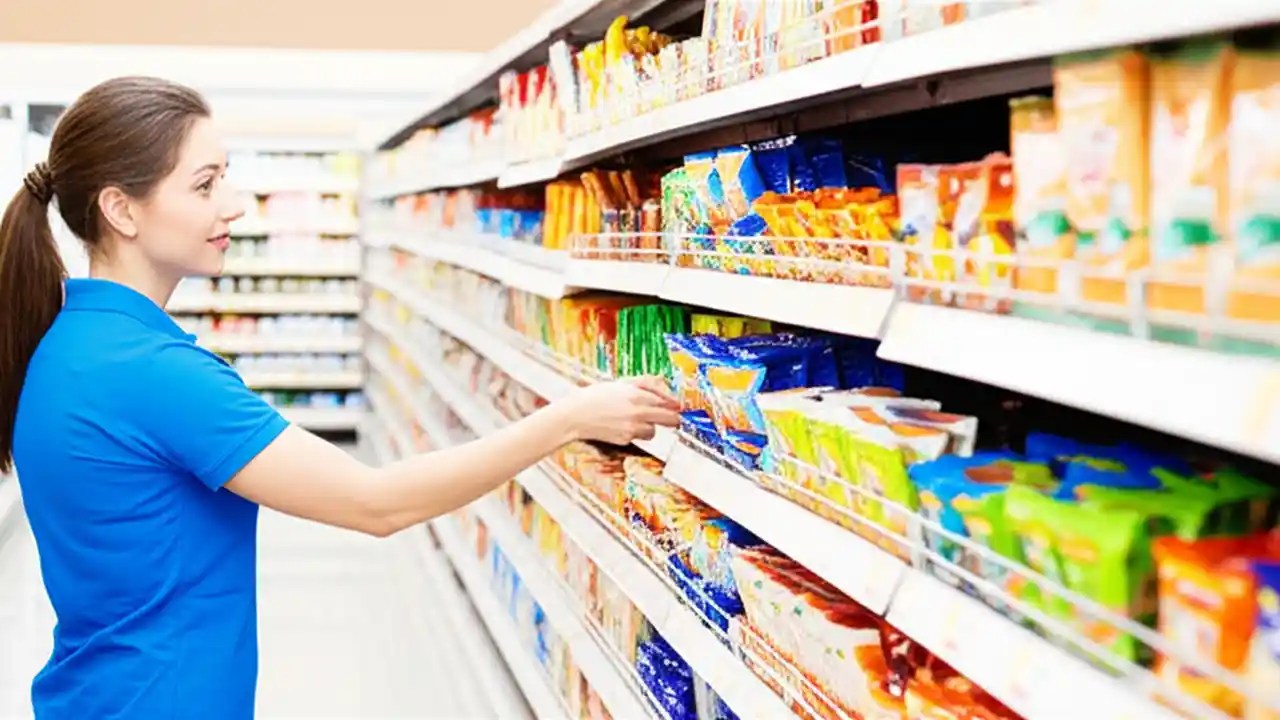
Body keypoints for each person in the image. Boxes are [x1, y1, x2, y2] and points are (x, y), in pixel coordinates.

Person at [0, 76, 681, 719]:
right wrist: (567, 418)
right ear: (121, 208)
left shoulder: (66, 345)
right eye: (205, 184)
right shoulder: (154, 374)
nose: (234, 203)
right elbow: (376, 504)